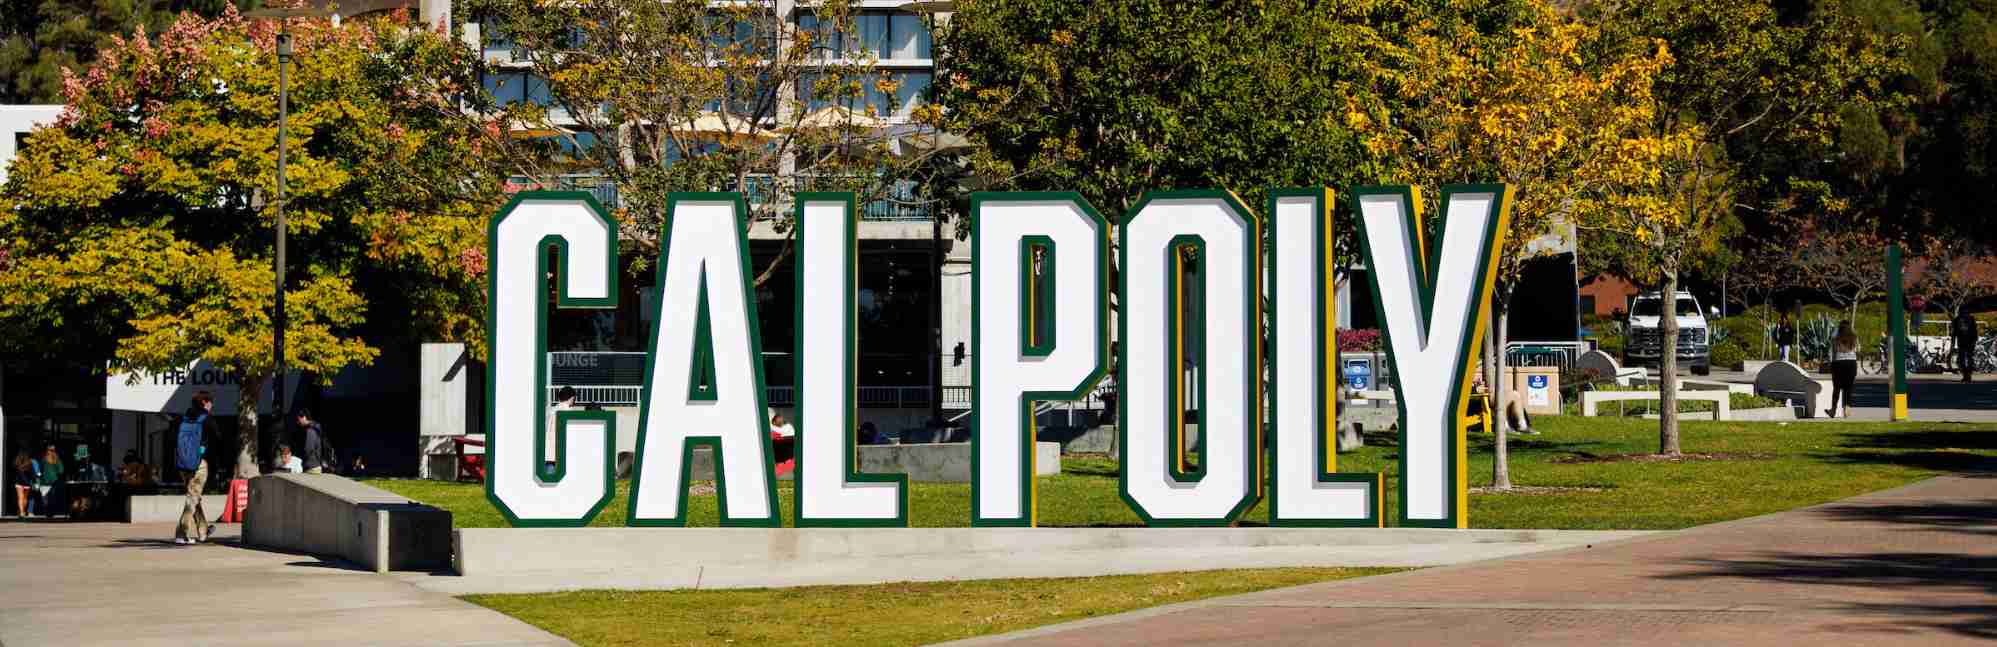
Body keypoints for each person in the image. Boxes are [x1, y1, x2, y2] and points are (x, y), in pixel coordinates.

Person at [175, 391, 219, 544]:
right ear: (205, 403)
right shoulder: (207, 419)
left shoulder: (184, 418)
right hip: (199, 463)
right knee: (193, 497)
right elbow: (218, 438)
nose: (211, 405)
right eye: (210, 402)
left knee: (194, 496)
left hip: (183, 463)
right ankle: (181, 533)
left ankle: (203, 531)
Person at [1828, 321, 1859, 419]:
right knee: (1848, 387)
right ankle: (1847, 408)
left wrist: (1831, 365)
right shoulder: (1854, 337)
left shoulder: (1835, 338)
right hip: (1851, 363)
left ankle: (1833, 410)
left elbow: (1832, 352)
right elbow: (1858, 349)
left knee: (1836, 388)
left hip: (1838, 363)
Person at [298, 409, 331, 475]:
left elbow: (308, 448)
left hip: (311, 465)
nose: (298, 422)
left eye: (299, 419)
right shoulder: (317, 428)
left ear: (304, 417)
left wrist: (303, 461)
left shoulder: (311, 430)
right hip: (317, 464)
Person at [35, 445, 62, 518]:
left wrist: (38, 478)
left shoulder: (43, 460)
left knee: (45, 497)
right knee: (52, 497)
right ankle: (51, 512)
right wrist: (55, 472)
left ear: (47, 451)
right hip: (54, 481)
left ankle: (47, 512)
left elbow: (39, 471)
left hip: (44, 481)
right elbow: (61, 471)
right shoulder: (57, 460)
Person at [1952, 311, 1979, 383]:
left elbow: (1974, 330)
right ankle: (1966, 375)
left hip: (1967, 341)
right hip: (1964, 341)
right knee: (1965, 359)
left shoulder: (1969, 318)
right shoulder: (1959, 319)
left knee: (1966, 359)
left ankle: (1967, 375)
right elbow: (1955, 331)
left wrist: (1975, 339)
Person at [11, 453, 34, 518]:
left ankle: (21, 512)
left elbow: (13, 470)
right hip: (27, 483)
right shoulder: (29, 463)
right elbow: (33, 473)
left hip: (19, 482)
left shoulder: (17, 463)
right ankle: (23, 511)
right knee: (25, 498)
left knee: (20, 497)